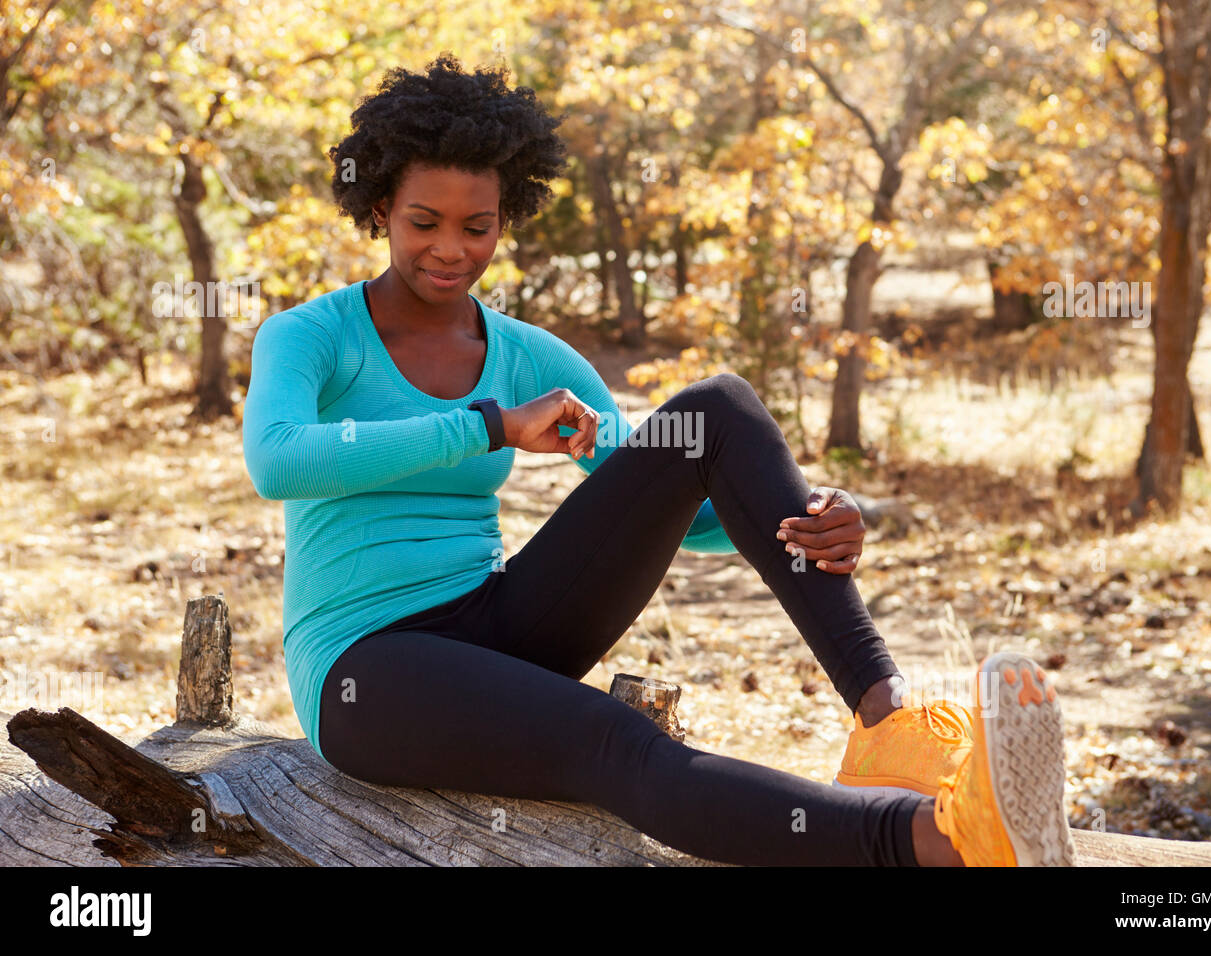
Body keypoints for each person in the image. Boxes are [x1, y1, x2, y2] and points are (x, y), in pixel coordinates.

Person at [241, 52, 1076, 867]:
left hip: (497, 627)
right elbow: (277, 463)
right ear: (381, 207)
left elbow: (679, 504)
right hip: (366, 670)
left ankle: (888, 722)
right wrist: (487, 426)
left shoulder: (529, 355)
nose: (452, 249)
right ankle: (935, 841)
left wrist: (802, 518)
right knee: (617, 742)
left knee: (716, 413)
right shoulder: (312, 336)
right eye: (425, 222)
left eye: (478, 226)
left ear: (508, 216)